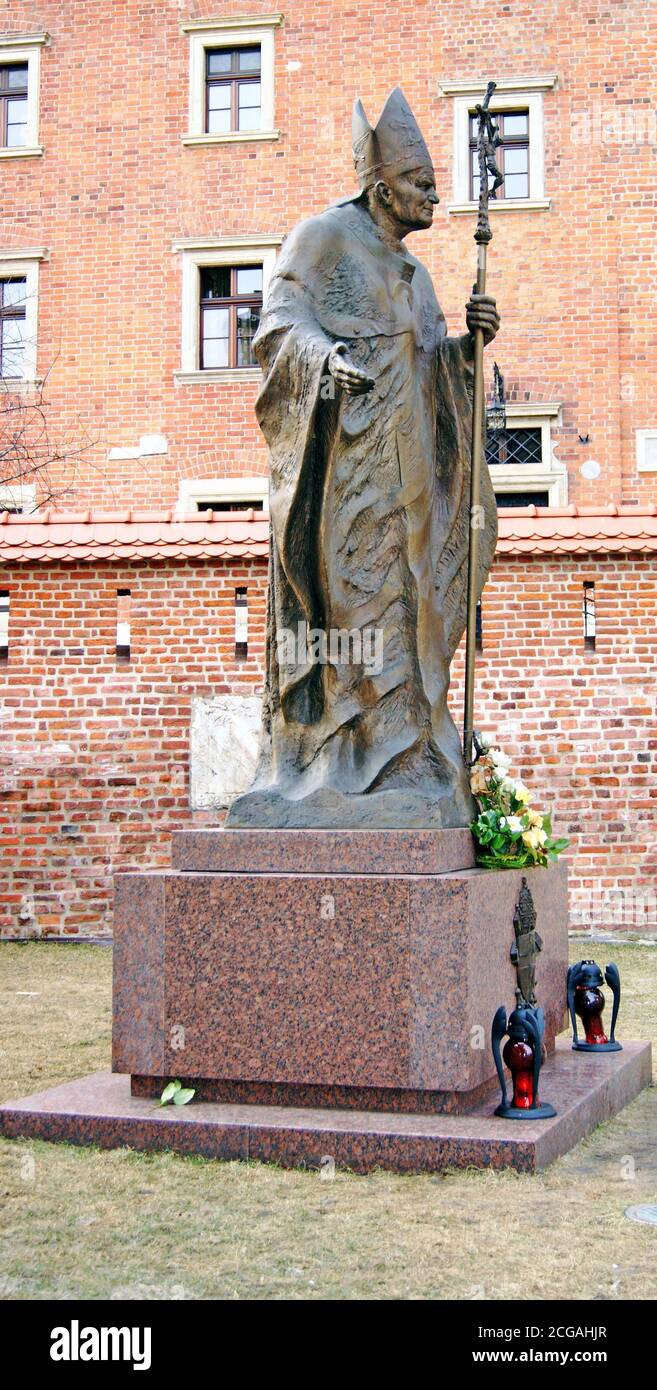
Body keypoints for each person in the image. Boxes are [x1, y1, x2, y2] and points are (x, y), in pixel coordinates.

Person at [227, 88, 500, 829]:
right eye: (420, 184)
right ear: (380, 186)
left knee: (412, 617)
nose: (434, 197)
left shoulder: (421, 274)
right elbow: (277, 330)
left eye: (435, 184)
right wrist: (323, 362)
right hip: (345, 477)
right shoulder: (321, 239)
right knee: (354, 619)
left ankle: (410, 764)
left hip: (411, 474)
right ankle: (333, 769)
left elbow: (433, 374)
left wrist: (467, 351)